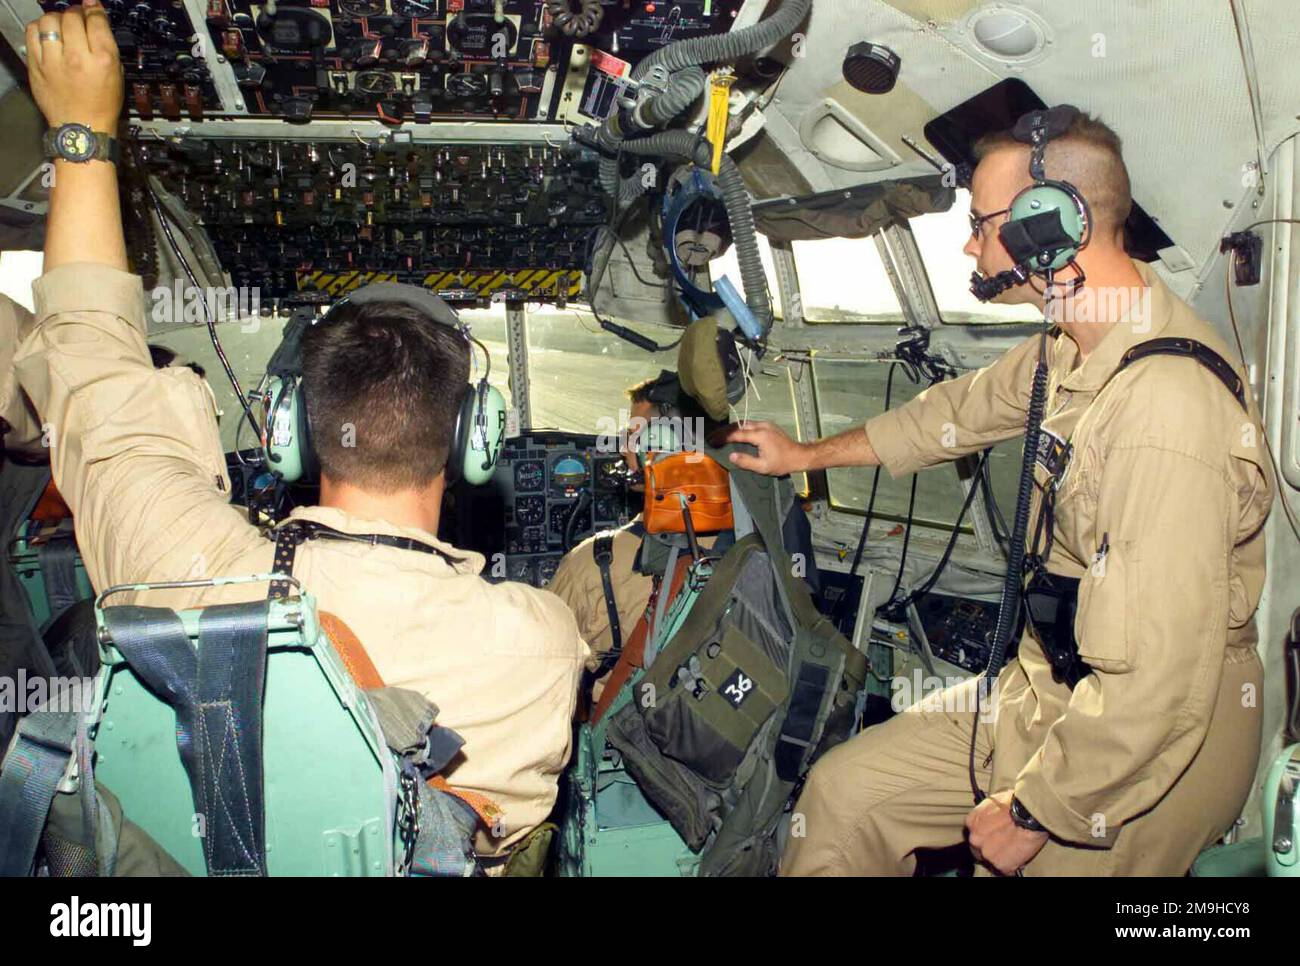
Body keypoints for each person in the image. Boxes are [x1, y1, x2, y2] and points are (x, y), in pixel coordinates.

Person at [5, 1, 588, 865]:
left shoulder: (181, 565)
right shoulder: (540, 641)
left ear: (287, 432)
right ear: (475, 438)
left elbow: (91, 366)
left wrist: (84, 134)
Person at [726, 110, 1273, 875]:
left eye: (983, 224)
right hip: (1047, 689)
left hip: (1148, 741)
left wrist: (1034, 813)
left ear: (1048, 227)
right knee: (844, 794)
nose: (970, 244)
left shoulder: (1164, 414)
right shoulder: (1069, 348)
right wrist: (802, 455)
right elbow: (952, 417)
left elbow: (1160, 683)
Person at [547, 373, 675, 703]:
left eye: (634, 435)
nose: (623, 447)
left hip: (621, 733)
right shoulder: (753, 535)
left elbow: (543, 660)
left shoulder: (591, 563)